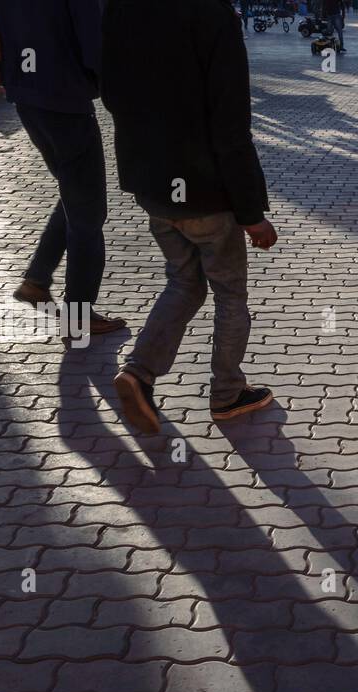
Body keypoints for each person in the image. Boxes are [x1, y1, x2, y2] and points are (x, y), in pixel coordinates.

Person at [102, 0, 276, 430]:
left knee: (184, 281)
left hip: (153, 183)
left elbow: (110, 93)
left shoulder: (121, 10)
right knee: (230, 294)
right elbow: (230, 118)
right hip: (206, 190)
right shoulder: (212, 13)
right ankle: (228, 393)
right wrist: (251, 212)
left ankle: (138, 373)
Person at [0, 0, 125, 338]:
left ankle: (36, 281)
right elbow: (95, 43)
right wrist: (115, 92)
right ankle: (78, 317)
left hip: (25, 95)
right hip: (66, 98)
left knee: (75, 194)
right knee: (88, 214)